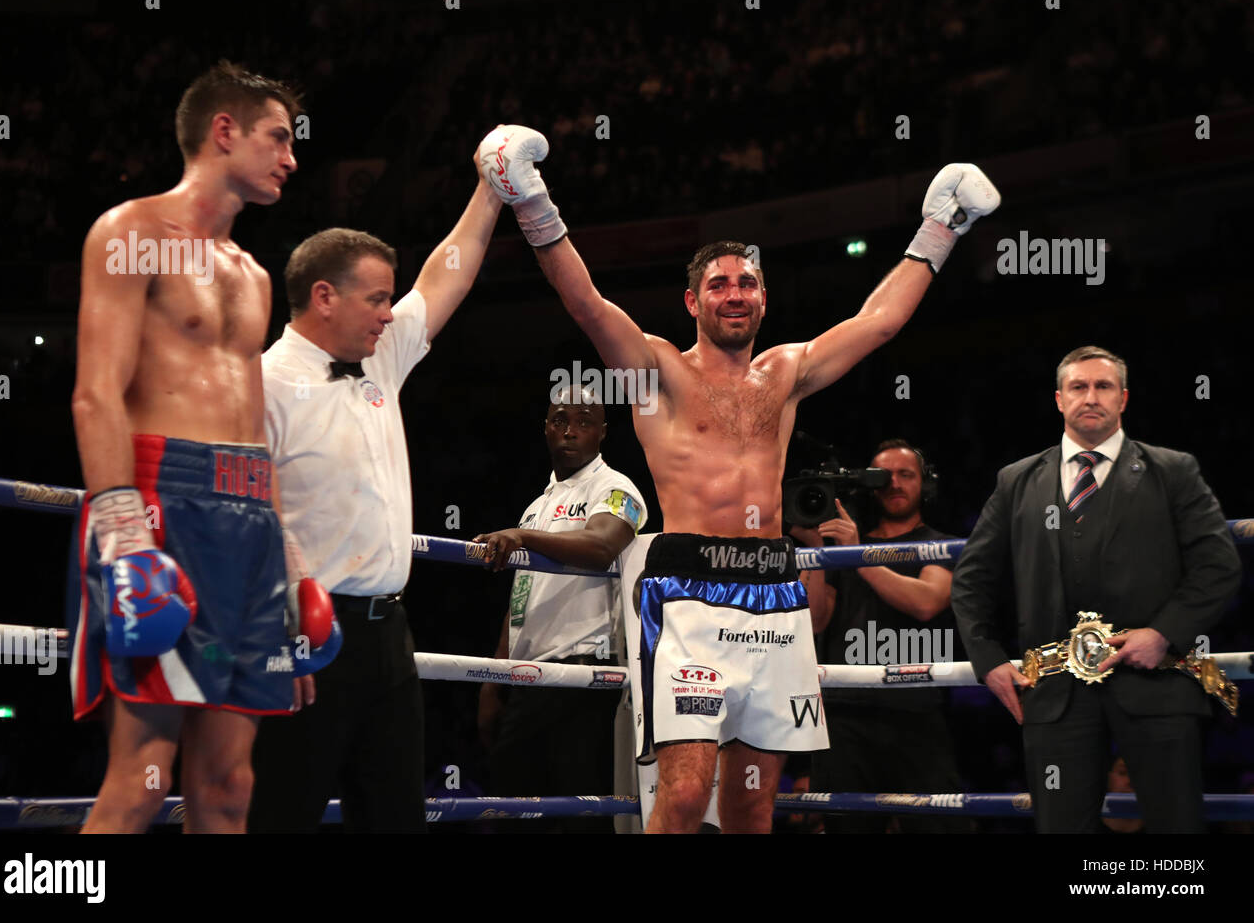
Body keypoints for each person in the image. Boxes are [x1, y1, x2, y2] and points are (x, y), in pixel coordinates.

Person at [477, 124, 1000, 832]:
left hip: (775, 582)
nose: (734, 293)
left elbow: (877, 322)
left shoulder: (785, 372)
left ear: (763, 300)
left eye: (747, 282)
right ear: (693, 302)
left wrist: (939, 228)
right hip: (687, 585)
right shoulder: (656, 369)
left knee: (755, 803)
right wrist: (530, 201)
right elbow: (587, 304)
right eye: (718, 284)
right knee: (687, 793)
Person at [67, 61, 335, 833]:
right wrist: (123, 539)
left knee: (228, 787)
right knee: (144, 777)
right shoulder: (134, 234)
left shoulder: (252, 276)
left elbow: (257, 434)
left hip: (248, 518)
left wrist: (291, 566)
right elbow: (96, 394)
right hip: (160, 503)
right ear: (224, 131)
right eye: (278, 137)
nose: (292, 156)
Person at [247, 143, 503, 832]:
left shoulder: (378, 358)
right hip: (302, 627)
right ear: (324, 297)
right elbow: (245, 516)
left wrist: (491, 187)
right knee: (282, 813)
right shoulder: (262, 383)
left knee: (394, 817)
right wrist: (277, 635)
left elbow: (445, 279)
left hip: (389, 632)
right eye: (377, 298)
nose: (391, 313)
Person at [951, 345, 1241, 832]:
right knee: (1061, 825)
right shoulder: (1018, 480)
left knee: (1177, 826)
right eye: (1079, 387)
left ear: (1123, 399)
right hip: (1055, 692)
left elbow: (1219, 565)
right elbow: (972, 577)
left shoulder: (1172, 470)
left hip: (1156, 684)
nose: (1091, 397)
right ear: (1059, 400)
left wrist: (1163, 633)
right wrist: (988, 659)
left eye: (1103, 387)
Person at [474, 389, 647, 831]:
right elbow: (522, 596)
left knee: (577, 817)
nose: (570, 431)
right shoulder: (536, 507)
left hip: (581, 680)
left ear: (603, 433)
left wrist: (523, 538)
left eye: (584, 421)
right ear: (546, 429)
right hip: (527, 680)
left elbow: (603, 545)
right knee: (513, 814)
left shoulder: (614, 487)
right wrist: (495, 679)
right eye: (559, 420)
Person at [791, 440, 966, 833]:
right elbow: (817, 621)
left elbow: (926, 602)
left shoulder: (937, 543)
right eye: (884, 476)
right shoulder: (842, 548)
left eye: (907, 475)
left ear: (926, 484)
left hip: (914, 709)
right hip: (845, 710)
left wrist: (859, 554)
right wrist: (820, 553)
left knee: (937, 828)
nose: (895, 483)